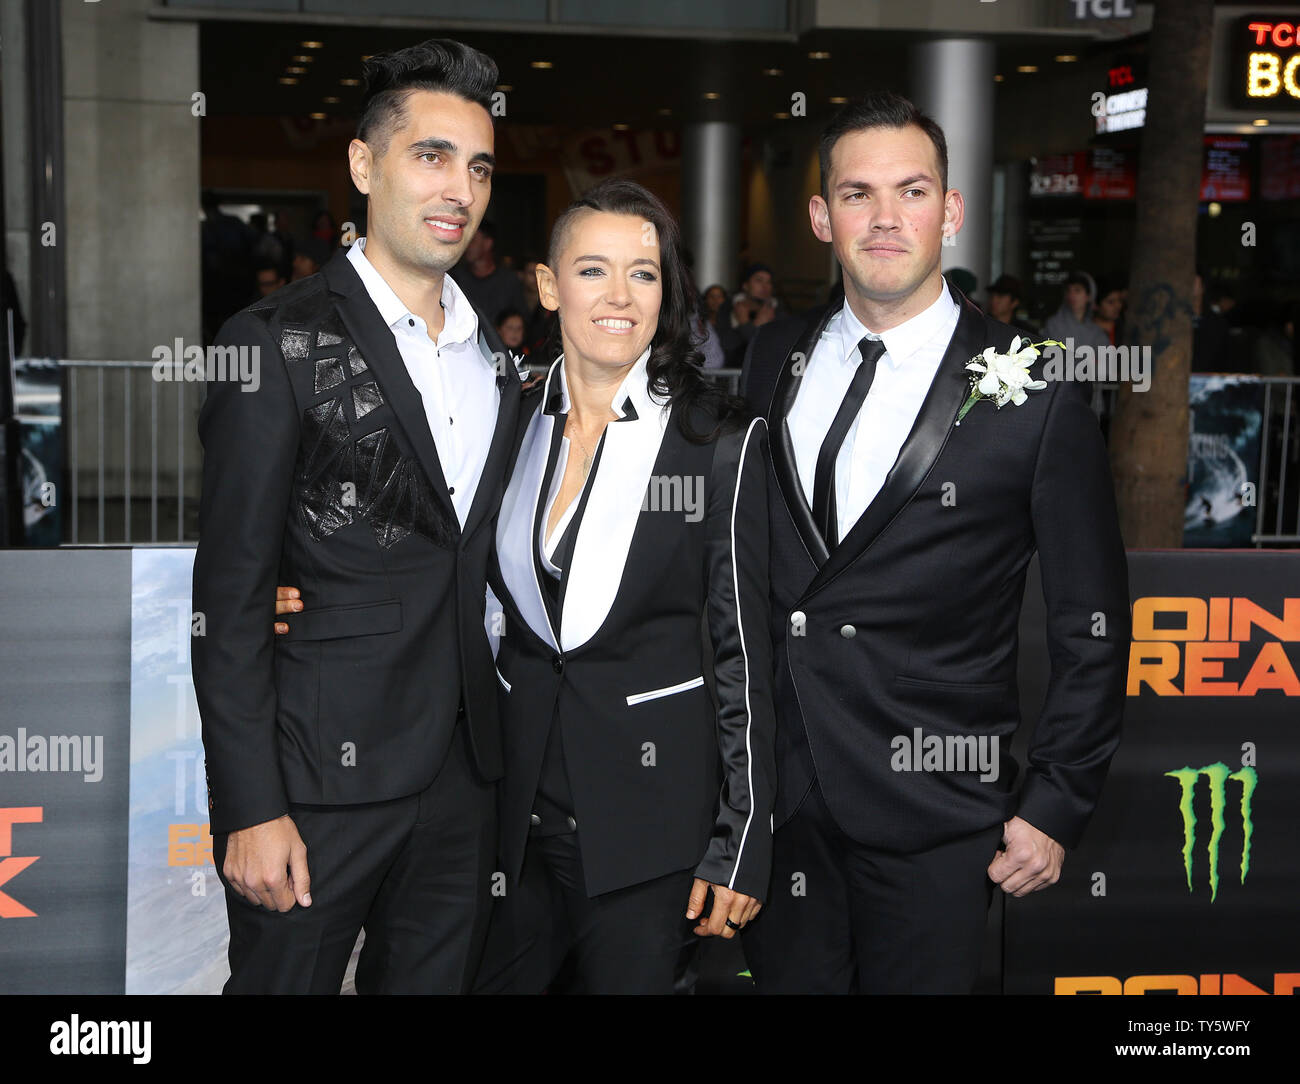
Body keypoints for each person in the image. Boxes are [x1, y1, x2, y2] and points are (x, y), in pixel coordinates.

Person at [739, 91, 1129, 994]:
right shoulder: (772, 357)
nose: (884, 219)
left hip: (940, 810)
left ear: (950, 212)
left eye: (911, 192)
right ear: (820, 215)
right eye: (857, 194)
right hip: (782, 801)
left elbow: (1093, 618)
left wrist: (1057, 801)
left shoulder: (1036, 389)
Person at [191, 38, 522, 995]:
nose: (459, 186)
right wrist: (250, 809)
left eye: (479, 165)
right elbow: (232, 599)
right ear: (364, 164)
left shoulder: (497, 363)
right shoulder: (275, 341)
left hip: (463, 784)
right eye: (431, 155)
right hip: (314, 789)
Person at [451, 220, 527, 322]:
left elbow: (521, 320)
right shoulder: (455, 279)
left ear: (488, 243)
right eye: (465, 240)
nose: (467, 246)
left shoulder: (509, 281)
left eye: (472, 240)